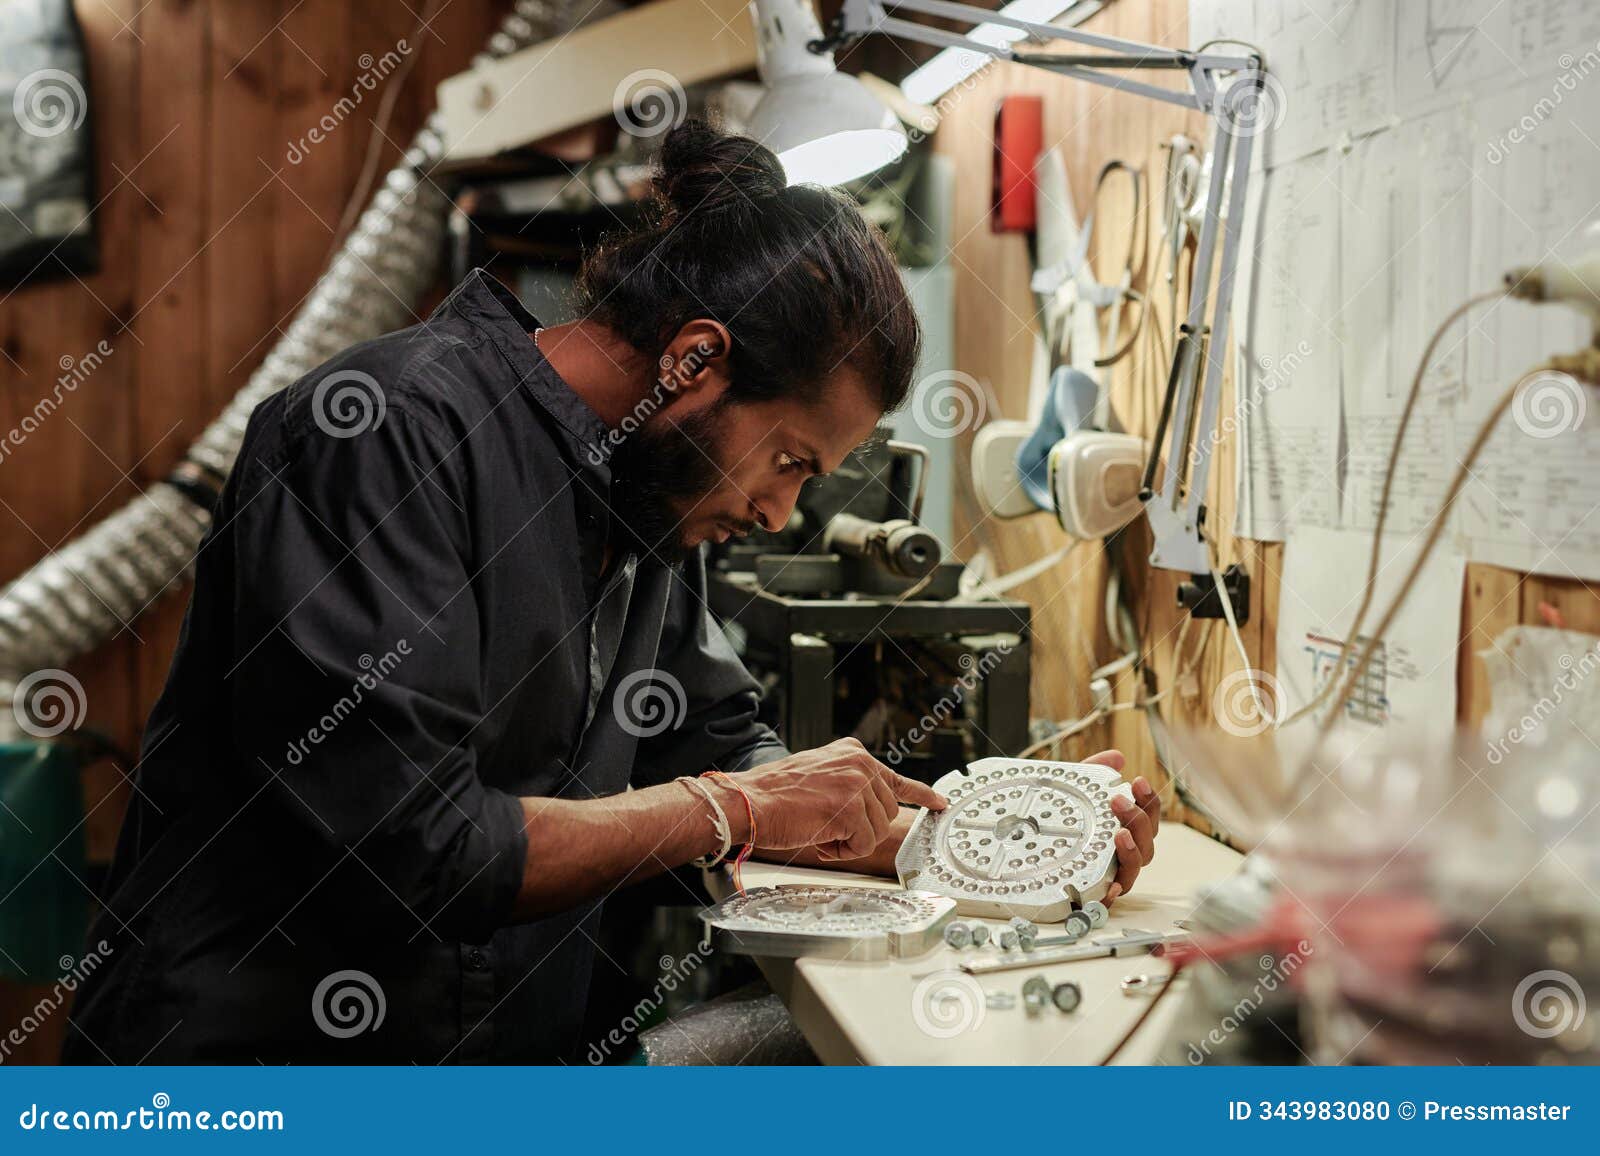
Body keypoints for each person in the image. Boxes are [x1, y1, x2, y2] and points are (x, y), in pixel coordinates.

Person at [65, 121, 1159, 1064]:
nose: (781, 513)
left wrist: (978, 833)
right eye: (789, 460)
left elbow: (724, 743)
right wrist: (728, 810)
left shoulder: (639, 496)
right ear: (693, 361)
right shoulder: (387, 434)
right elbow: (406, 853)